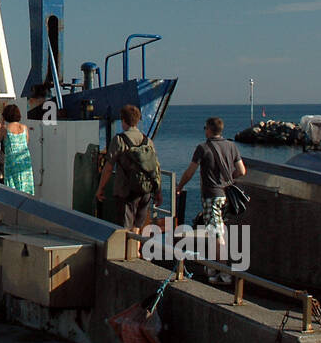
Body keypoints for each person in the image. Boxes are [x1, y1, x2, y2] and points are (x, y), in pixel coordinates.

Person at [175, 116, 245, 283]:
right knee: (218, 230)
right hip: (226, 196)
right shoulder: (231, 146)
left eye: (205, 127)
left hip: (211, 196)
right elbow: (241, 170)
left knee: (216, 233)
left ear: (208, 129)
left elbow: (190, 171)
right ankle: (214, 270)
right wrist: (228, 180)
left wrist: (180, 186)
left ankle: (224, 273)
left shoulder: (202, 148)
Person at [95, 104, 161, 228]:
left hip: (126, 191)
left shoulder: (119, 140)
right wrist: (158, 192)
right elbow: (156, 168)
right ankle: (136, 247)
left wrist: (100, 188)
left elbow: (108, 168)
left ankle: (128, 247)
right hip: (145, 191)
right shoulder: (148, 141)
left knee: (125, 229)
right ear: (137, 120)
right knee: (138, 228)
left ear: (123, 120)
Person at [0, 104, 34, 195]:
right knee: (24, 183)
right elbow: (26, 143)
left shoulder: (5, 129)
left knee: (12, 185)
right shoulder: (24, 128)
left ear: (6, 115)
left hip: (12, 160)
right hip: (24, 160)